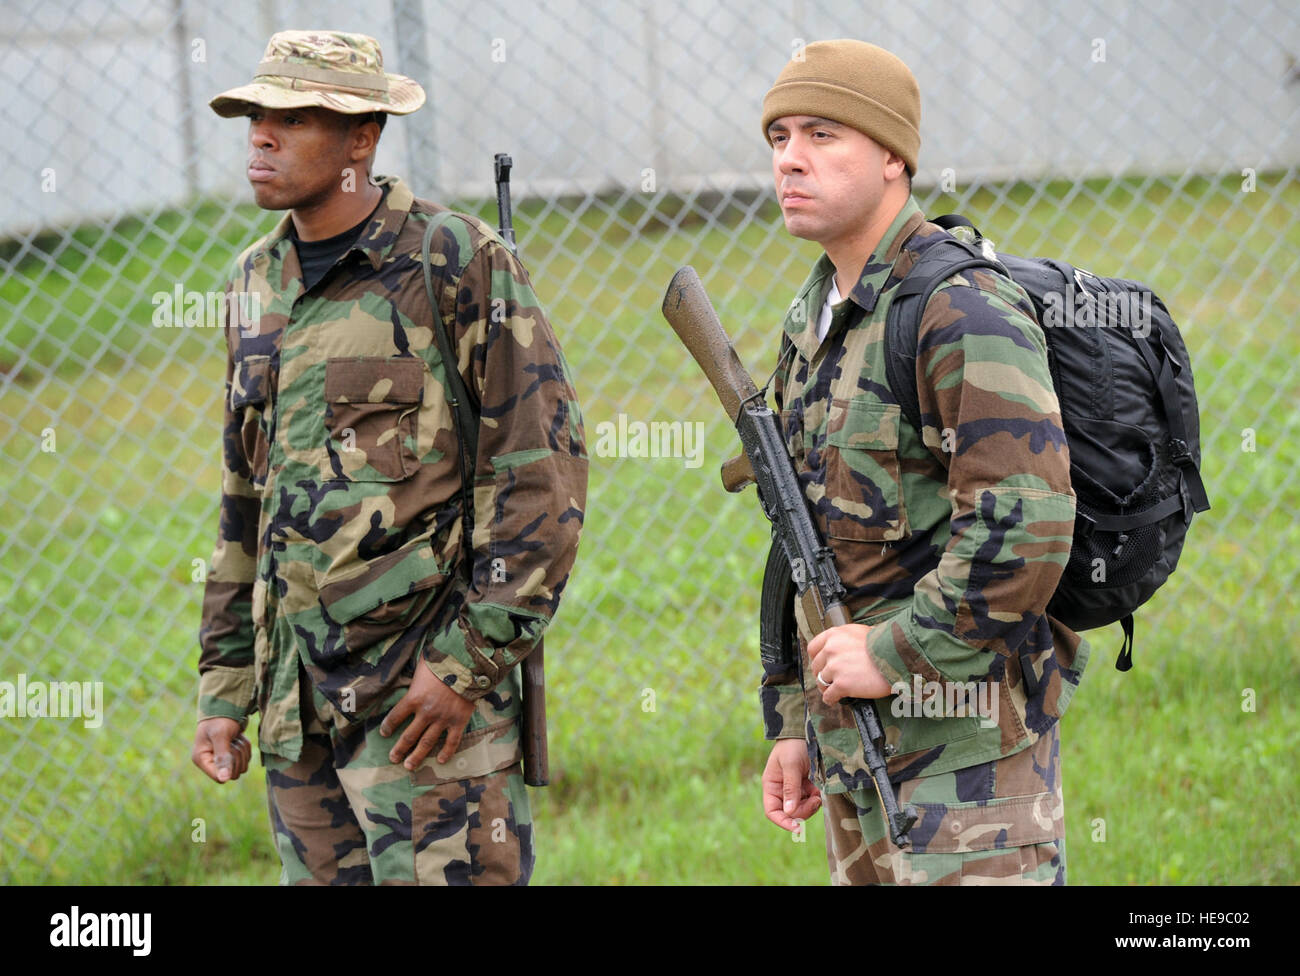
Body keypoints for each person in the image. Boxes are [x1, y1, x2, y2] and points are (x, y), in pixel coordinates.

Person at [189, 30, 588, 886]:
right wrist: (227, 689)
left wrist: (464, 667)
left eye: (293, 118)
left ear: (361, 140)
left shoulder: (455, 263)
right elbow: (242, 503)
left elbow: (540, 482)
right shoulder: (252, 285)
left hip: (424, 712)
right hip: (299, 716)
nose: (260, 135)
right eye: (255, 115)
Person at [755, 39, 1091, 885]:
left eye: (823, 134)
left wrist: (895, 653)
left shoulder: (960, 309)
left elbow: (1028, 529)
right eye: (779, 136)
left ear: (894, 157)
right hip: (856, 753)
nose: (790, 159)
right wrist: (797, 718)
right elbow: (808, 543)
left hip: (964, 772)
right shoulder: (820, 314)